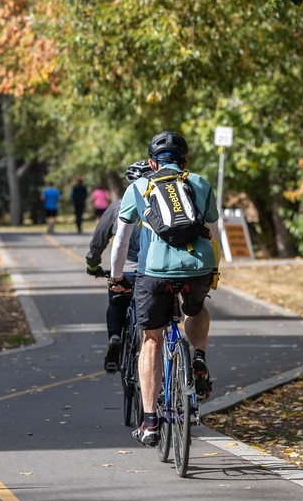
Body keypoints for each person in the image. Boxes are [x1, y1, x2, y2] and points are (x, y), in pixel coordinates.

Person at [109, 131, 220, 446]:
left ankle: (150, 422)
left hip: (153, 272)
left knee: (151, 339)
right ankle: (197, 357)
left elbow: (121, 240)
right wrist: (214, 269)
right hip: (198, 268)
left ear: (150, 162)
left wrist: (117, 277)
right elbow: (213, 230)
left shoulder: (139, 186)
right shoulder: (199, 183)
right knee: (196, 309)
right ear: (185, 161)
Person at [86, 160, 151, 372]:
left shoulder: (118, 206)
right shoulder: (162, 206)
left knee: (117, 303)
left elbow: (99, 239)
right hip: (155, 270)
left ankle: (115, 338)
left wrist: (93, 263)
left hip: (126, 270)